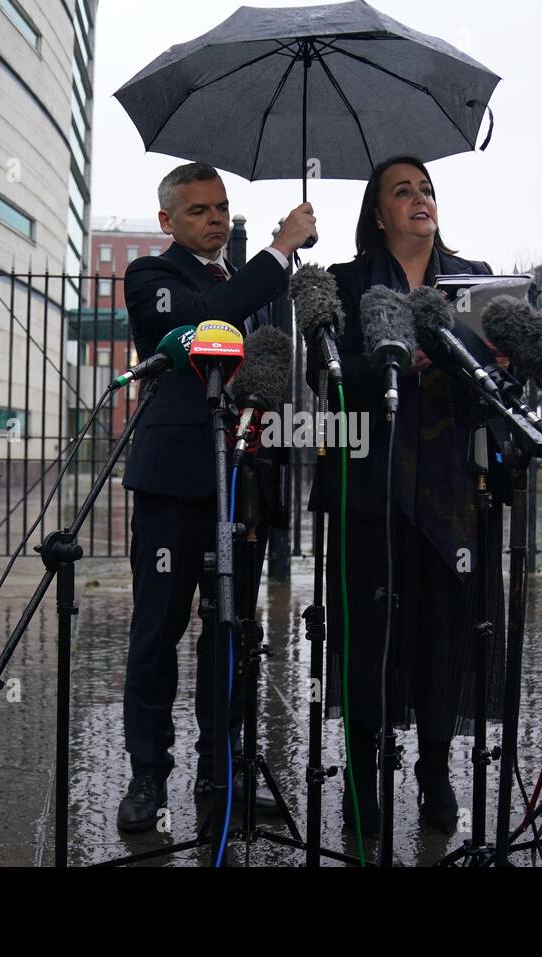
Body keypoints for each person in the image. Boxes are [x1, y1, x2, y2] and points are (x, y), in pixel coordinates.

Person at [307, 155, 507, 836]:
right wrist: (398, 360)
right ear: (378, 212)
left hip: (455, 492)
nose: (419, 197)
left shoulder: (472, 281)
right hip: (372, 493)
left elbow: (499, 387)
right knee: (372, 641)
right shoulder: (345, 281)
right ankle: (362, 780)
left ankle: (434, 770)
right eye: (403, 190)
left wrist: (486, 366)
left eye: (426, 189)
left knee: (444, 638)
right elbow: (326, 378)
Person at [118, 162, 317, 832]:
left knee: (229, 637)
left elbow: (275, 372)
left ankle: (219, 771)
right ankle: (149, 773)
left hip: (246, 485)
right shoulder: (153, 277)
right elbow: (204, 323)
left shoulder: (258, 289)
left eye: (222, 206)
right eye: (199, 209)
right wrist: (280, 250)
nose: (215, 219)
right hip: (176, 482)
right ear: (168, 220)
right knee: (156, 633)